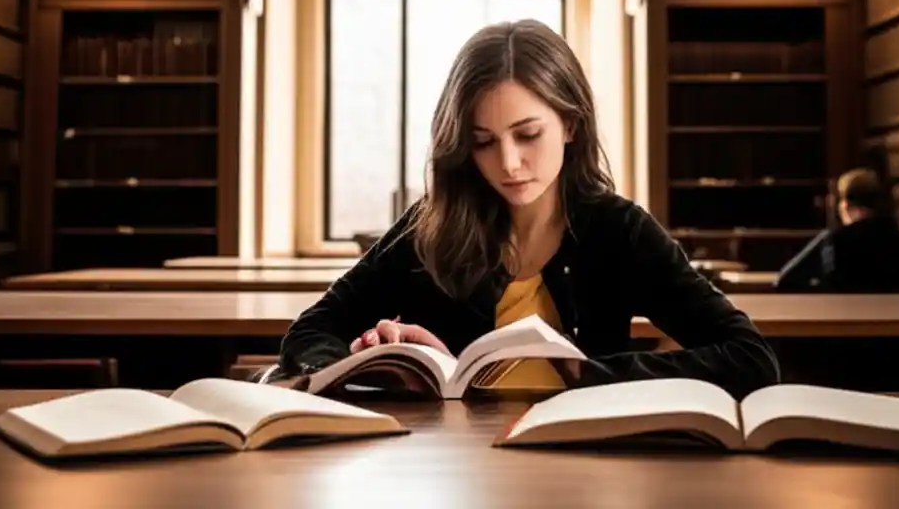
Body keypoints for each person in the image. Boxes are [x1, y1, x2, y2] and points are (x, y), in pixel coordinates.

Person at [278, 20, 779, 399]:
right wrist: (376, 362)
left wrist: (592, 373)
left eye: (527, 134)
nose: (509, 164)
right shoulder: (429, 226)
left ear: (571, 124)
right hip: (448, 468)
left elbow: (751, 359)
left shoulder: (620, 230)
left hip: (580, 464)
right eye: (483, 142)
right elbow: (310, 333)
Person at [774, 168, 899, 293]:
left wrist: (823, 295)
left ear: (845, 205)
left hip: (842, 336)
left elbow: (785, 280)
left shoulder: (833, 240)